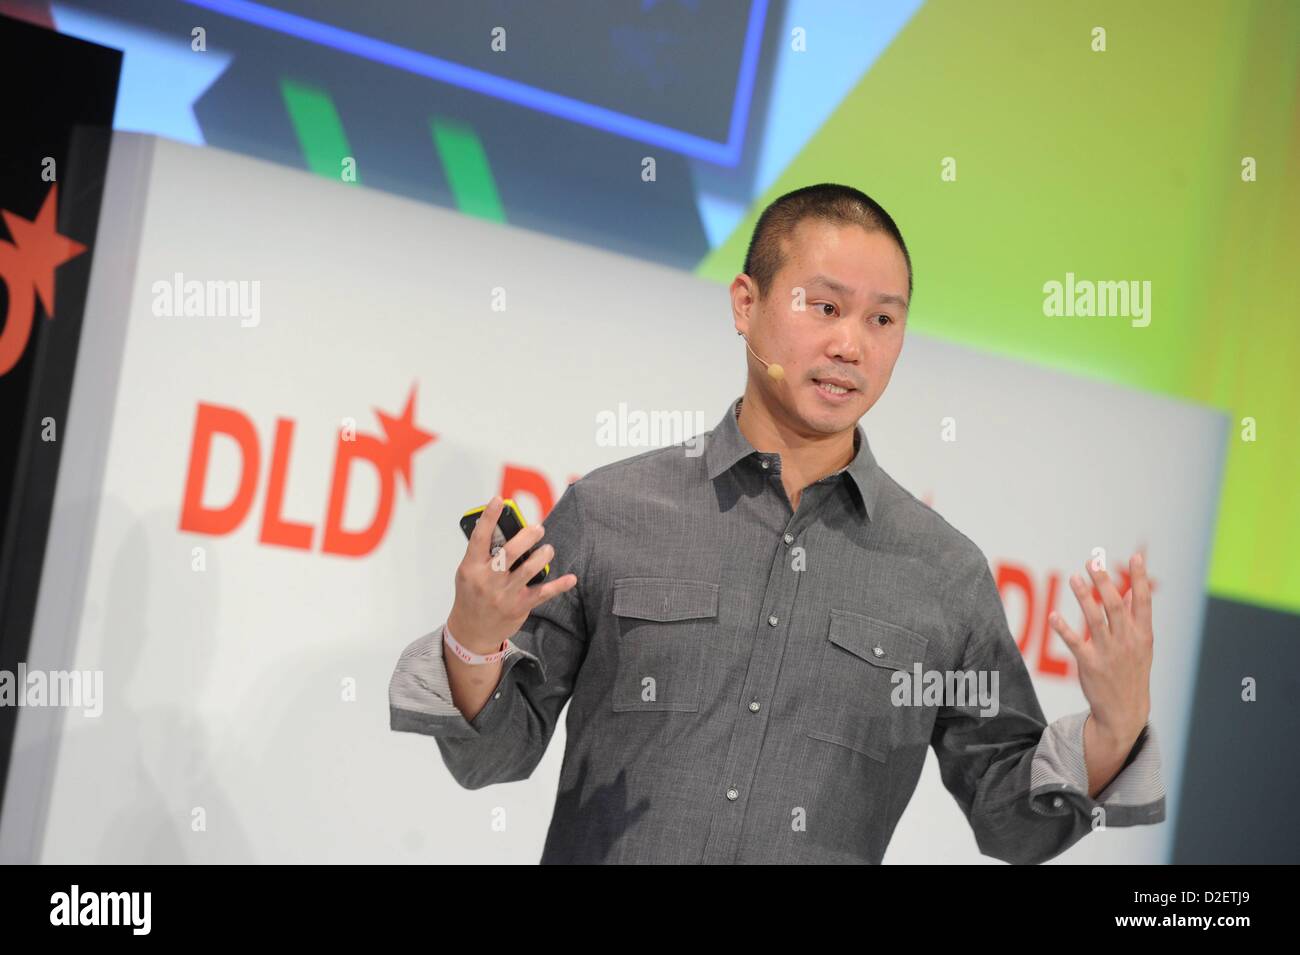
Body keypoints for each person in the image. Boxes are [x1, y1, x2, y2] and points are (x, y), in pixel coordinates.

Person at [389, 183, 1163, 864]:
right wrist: (472, 638)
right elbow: (491, 755)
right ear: (745, 302)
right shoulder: (611, 511)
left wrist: (1114, 727)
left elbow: (1012, 821)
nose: (850, 344)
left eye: (883, 320)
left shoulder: (943, 573)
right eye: (824, 307)